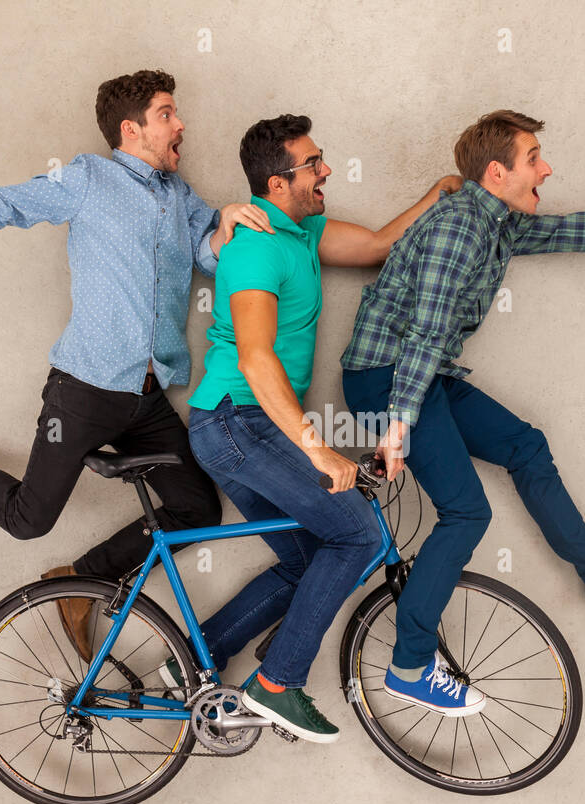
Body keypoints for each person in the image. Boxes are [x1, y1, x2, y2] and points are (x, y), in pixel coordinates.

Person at [0, 70, 271, 661]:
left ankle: (81, 580)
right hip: (83, 390)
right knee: (28, 520)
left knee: (198, 507)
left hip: (146, 395)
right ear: (131, 129)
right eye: (167, 113)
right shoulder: (89, 178)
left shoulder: (178, 194)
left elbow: (207, 256)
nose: (181, 123)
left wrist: (230, 226)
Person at [340, 109, 585, 715]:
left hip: (426, 378)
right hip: (389, 379)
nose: (546, 168)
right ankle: (410, 664)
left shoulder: (498, 223)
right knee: (466, 512)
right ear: (497, 172)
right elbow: (425, 334)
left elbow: (573, 231)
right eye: (534, 159)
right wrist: (396, 426)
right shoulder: (459, 229)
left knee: (525, 445)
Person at [173, 114, 464, 742]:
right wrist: (320, 451)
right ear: (279, 183)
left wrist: (436, 196)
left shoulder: (304, 231)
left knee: (308, 561)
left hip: (250, 426)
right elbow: (255, 358)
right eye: (315, 164)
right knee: (357, 537)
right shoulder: (254, 248)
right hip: (235, 422)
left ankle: (189, 665)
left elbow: (383, 243)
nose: (326, 170)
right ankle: (276, 685)